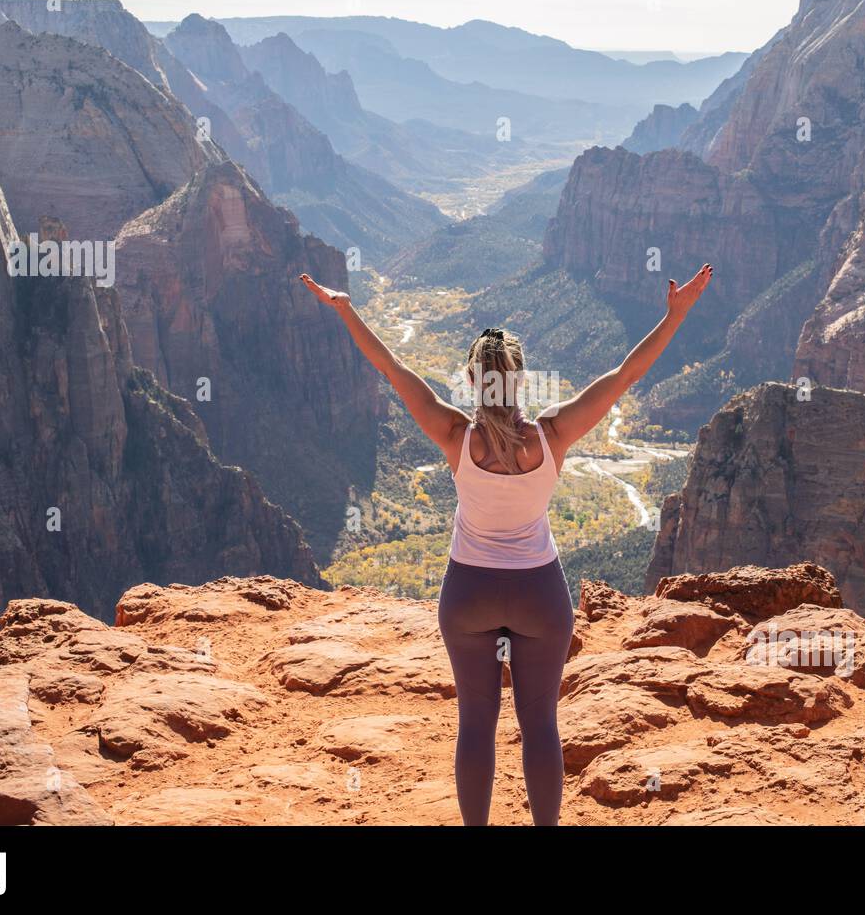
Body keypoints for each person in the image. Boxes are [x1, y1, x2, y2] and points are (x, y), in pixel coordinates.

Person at [300, 263, 714, 824]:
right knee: (539, 721)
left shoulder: (455, 436)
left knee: (476, 720)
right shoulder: (554, 433)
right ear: (521, 380)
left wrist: (347, 311)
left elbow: (390, 367)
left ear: (473, 382)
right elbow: (625, 374)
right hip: (539, 595)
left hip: (468, 593)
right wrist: (675, 317)